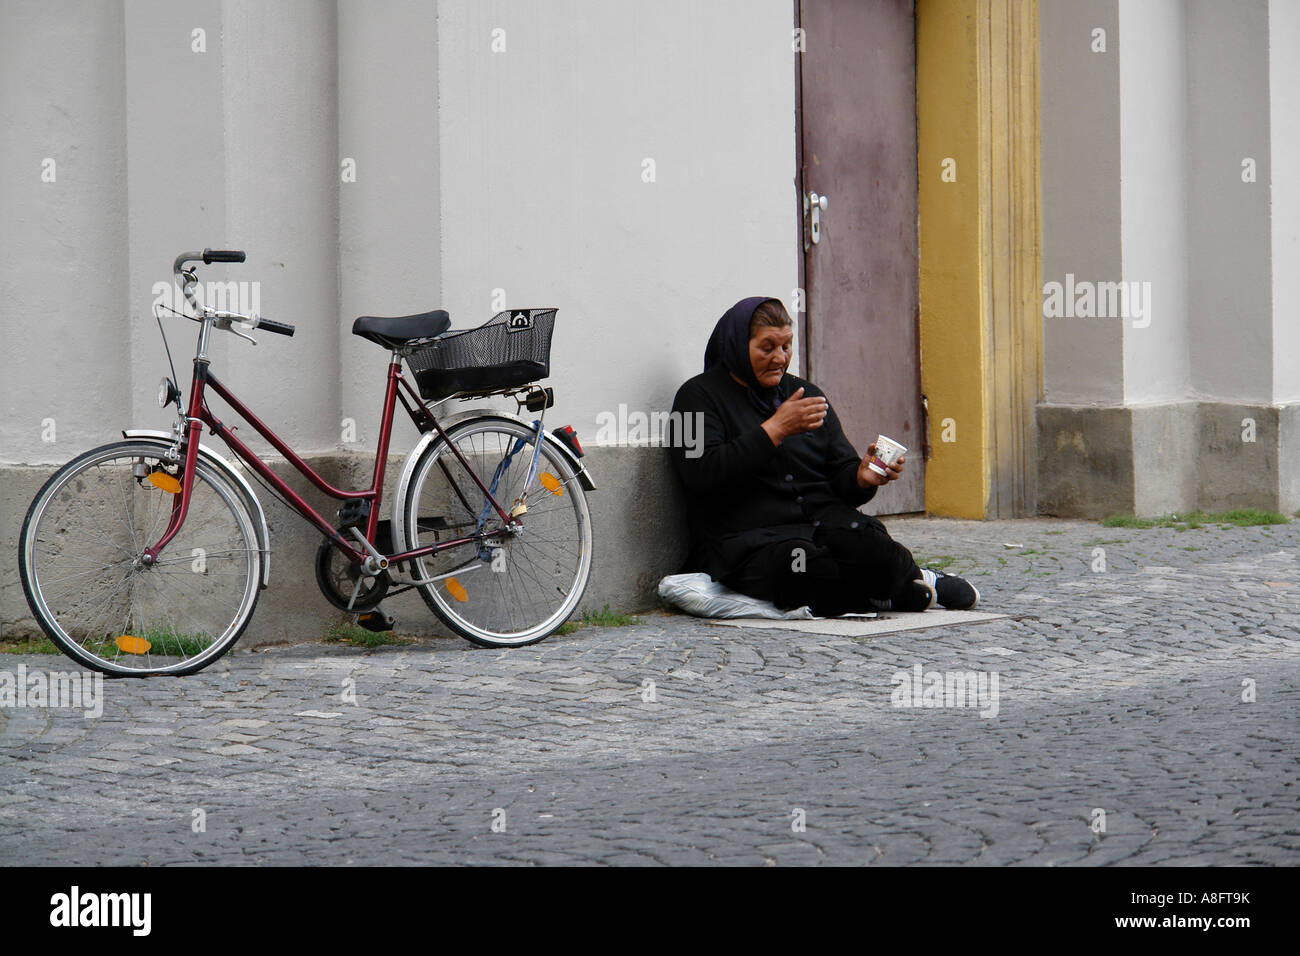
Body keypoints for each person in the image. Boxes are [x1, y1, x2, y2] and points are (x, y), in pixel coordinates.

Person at [668, 296, 979, 616]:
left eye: (786, 347)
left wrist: (861, 476)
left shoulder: (807, 395)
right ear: (736, 345)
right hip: (750, 543)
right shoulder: (696, 397)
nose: (780, 358)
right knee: (806, 569)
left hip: (823, 528)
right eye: (767, 347)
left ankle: (892, 586)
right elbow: (701, 476)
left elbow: (840, 474)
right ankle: (899, 589)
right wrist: (774, 430)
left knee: (870, 542)